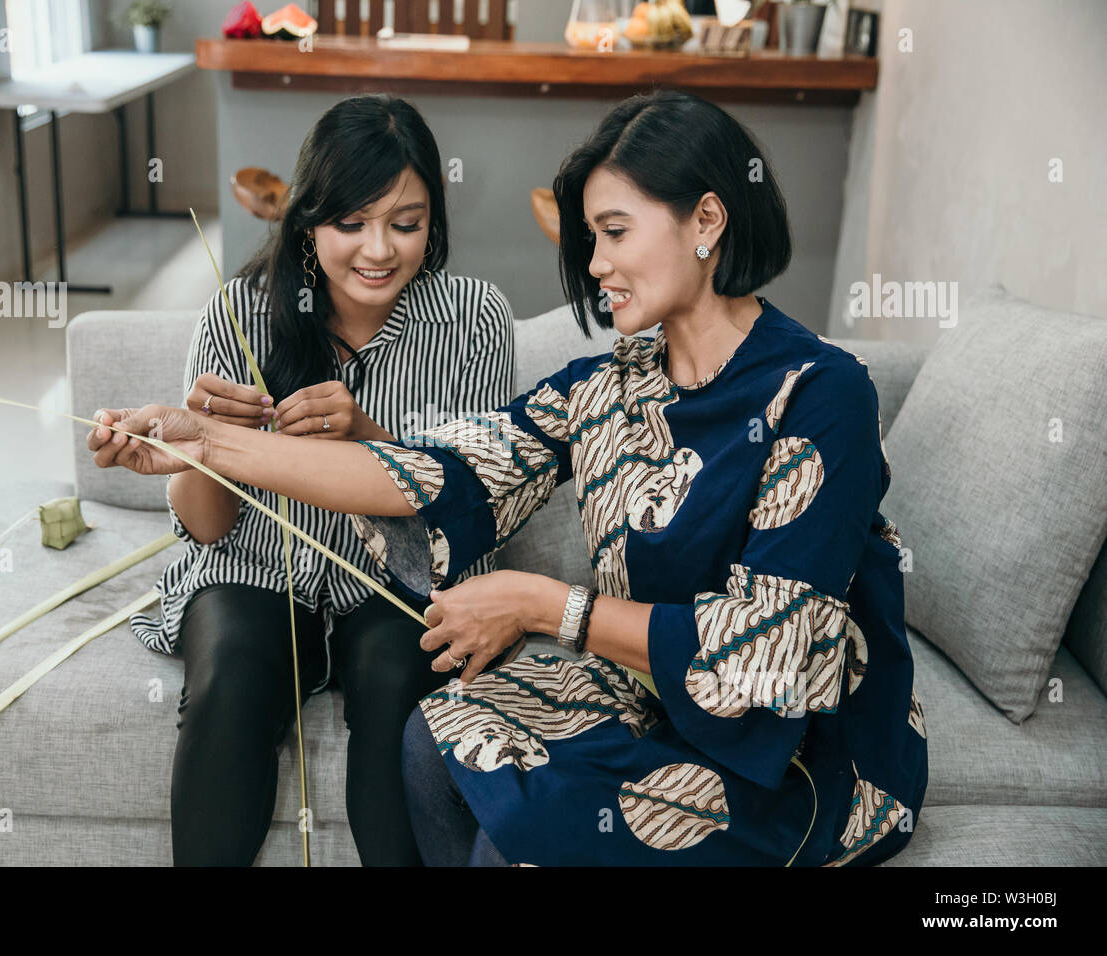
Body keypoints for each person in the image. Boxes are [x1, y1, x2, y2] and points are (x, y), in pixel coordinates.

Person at [90, 89, 928, 867]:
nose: (594, 265)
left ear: (706, 219)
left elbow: (770, 658)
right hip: (652, 701)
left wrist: (543, 605)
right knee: (435, 737)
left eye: (615, 232)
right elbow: (435, 473)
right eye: (590, 238)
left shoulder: (823, 393)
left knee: (518, 825)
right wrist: (203, 440)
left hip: (791, 753)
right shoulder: (606, 387)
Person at [111, 94, 515, 866]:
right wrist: (208, 442)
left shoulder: (476, 320)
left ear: (434, 221)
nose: (378, 250)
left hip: (400, 575)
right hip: (259, 568)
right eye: (350, 223)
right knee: (231, 665)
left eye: (406, 222)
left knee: (398, 671)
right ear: (307, 223)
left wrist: (368, 435)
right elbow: (207, 529)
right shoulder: (239, 314)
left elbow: (484, 501)